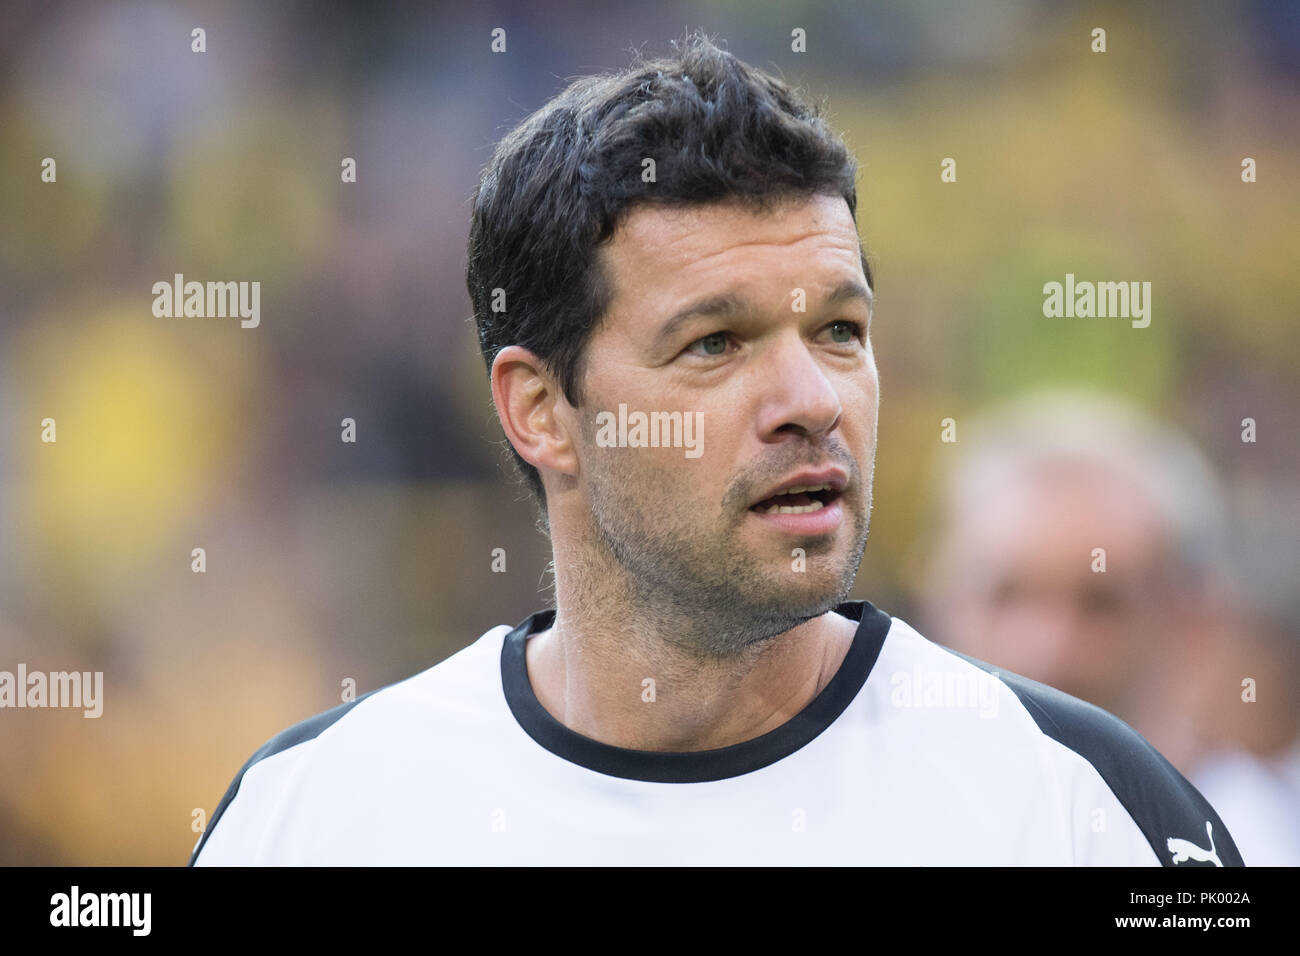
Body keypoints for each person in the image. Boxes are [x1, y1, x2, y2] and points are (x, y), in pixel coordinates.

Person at [190, 32, 1242, 866]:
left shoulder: (1080, 808)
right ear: (540, 410)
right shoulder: (314, 817)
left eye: (839, 329)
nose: (810, 400)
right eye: (715, 342)